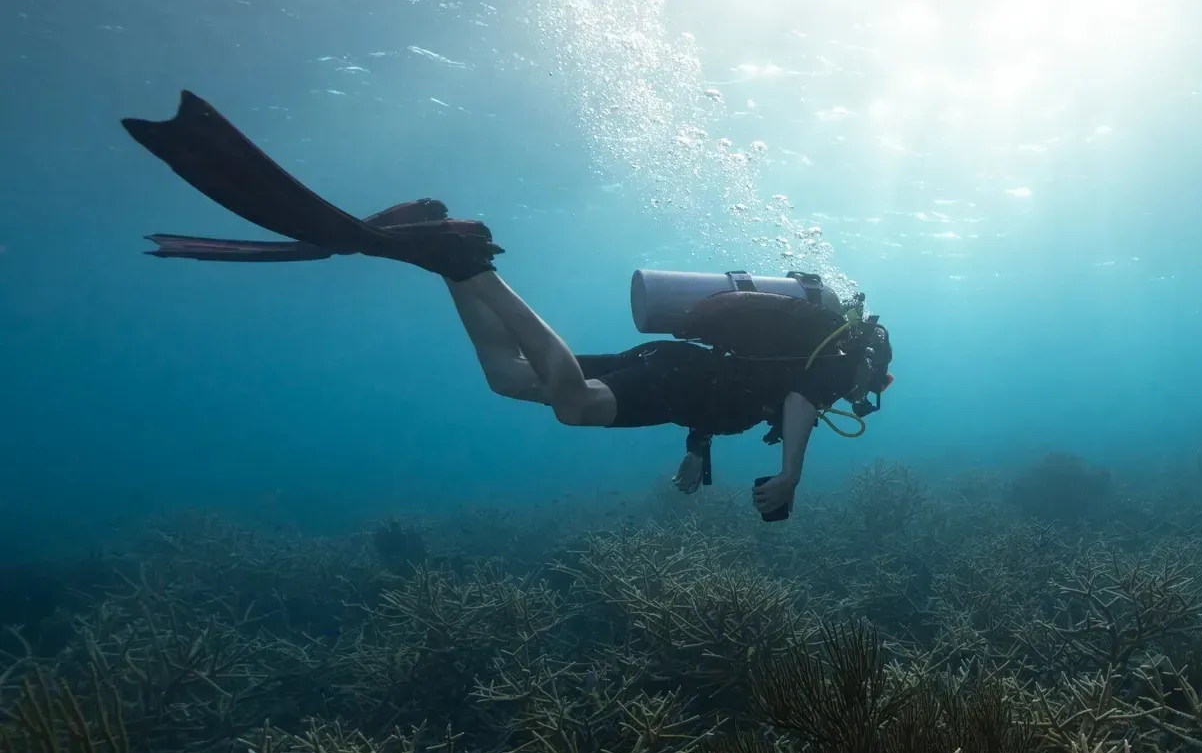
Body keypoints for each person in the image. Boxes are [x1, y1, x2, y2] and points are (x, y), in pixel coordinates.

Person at [121, 91, 893, 519]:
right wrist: (791, 476)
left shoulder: (812, 348)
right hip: (682, 379)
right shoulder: (835, 365)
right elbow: (796, 399)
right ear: (871, 373)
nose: (861, 399)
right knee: (574, 407)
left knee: (510, 380)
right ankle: (474, 266)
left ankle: (449, 268)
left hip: (678, 371)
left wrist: (698, 455)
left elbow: (750, 386)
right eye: (869, 392)